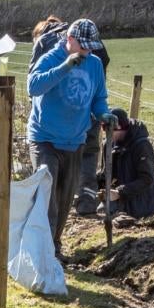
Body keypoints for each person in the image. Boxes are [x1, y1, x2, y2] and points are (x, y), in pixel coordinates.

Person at [24, 17, 109, 247]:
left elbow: (98, 98)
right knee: (47, 197)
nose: (88, 51)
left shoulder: (94, 64)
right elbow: (34, 86)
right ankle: (42, 248)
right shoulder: (51, 58)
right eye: (83, 46)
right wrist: (65, 67)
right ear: (69, 40)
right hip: (45, 139)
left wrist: (103, 114)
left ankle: (55, 244)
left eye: (91, 47)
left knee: (63, 201)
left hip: (75, 140)